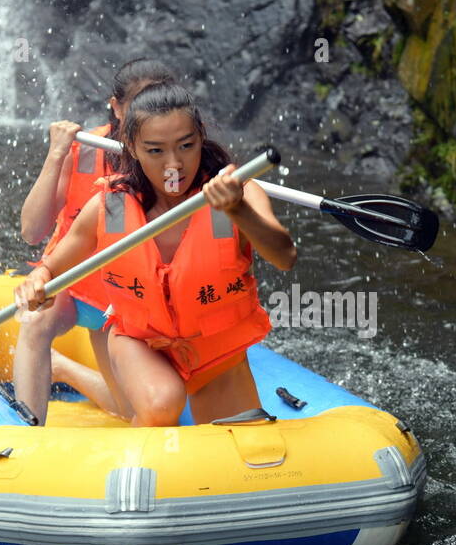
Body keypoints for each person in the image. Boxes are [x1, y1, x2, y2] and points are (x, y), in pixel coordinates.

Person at [15, 81, 296, 426]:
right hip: (139, 341)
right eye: (155, 151)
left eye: (186, 146)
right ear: (131, 147)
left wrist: (240, 212)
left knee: (237, 443)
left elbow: (285, 256)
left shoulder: (238, 193)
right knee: (162, 403)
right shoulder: (111, 206)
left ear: (201, 137)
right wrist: (37, 283)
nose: (174, 164)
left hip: (215, 349)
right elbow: (49, 269)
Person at [12, 58, 176, 425]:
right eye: (137, 107)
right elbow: (31, 231)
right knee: (35, 322)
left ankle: (64, 369)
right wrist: (56, 153)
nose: (146, 118)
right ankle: (26, 434)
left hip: (123, 297)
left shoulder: (173, 159)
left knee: (126, 410)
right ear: (116, 106)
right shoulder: (83, 148)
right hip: (69, 284)